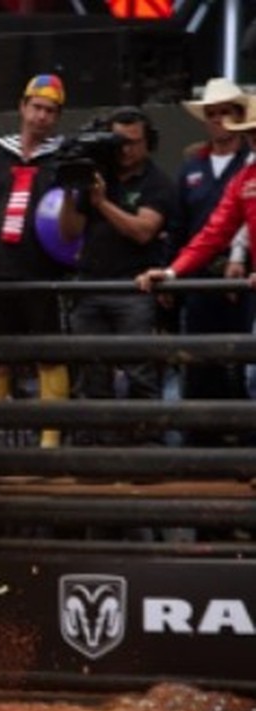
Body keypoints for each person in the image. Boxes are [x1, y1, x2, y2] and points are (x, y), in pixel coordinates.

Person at [58, 106, 176, 445]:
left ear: (147, 142)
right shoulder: (98, 174)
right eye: (119, 141)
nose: (125, 149)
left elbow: (143, 230)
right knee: (90, 372)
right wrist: (70, 188)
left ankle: (147, 448)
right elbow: (69, 232)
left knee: (140, 371)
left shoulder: (157, 182)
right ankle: (95, 450)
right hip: (90, 285)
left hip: (133, 289)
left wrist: (102, 203)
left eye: (134, 142)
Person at [0, 74, 70, 450]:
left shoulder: (64, 159)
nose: (42, 117)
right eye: (36, 107)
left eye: (50, 111)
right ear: (22, 107)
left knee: (48, 355)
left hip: (41, 272)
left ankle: (50, 441)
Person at [161, 78, 251, 440]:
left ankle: (246, 445)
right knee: (201, 365)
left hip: (243, 283)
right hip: (204, 280)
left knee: (246, 367)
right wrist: (173, 271)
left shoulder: (246, 167)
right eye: (211, 114)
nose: (218, 121)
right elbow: (195, 228)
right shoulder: (194, 170)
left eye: (225, 113)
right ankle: (203, 445)